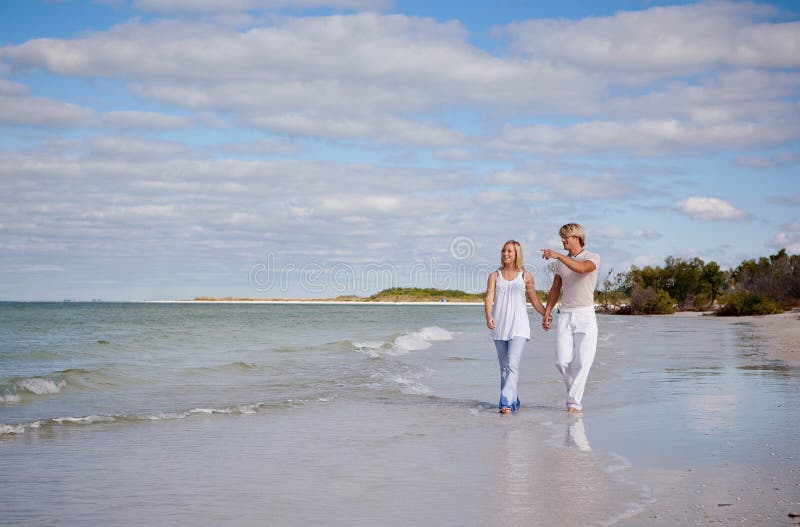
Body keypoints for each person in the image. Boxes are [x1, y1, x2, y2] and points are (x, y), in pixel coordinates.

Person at [541, 223, 600, 413]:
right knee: (561, 361)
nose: (563, 240)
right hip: (565, 314)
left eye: (566, 237)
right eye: (562, 237)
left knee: (583, 362)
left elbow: (582, 269)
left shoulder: (592, 257)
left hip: (586, 315)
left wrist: (558, 255)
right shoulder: (561, 263)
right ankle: (574, 396)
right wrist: (547, 311)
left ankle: (573, 403)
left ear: (577, 238)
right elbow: (556, 288)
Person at [485, 240, 547, 414]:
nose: (505, 253)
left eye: (509, 251)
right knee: (504, 367)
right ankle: (513, 399)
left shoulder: (526, 276)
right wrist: (488, 315)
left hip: (519, 326)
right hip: (499, 326)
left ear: (517, 254)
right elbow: (489, 297)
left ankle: (505, 402)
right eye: (504, 250)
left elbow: (534, 300)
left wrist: (546, 314)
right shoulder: (494, 276)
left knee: (512, 364)